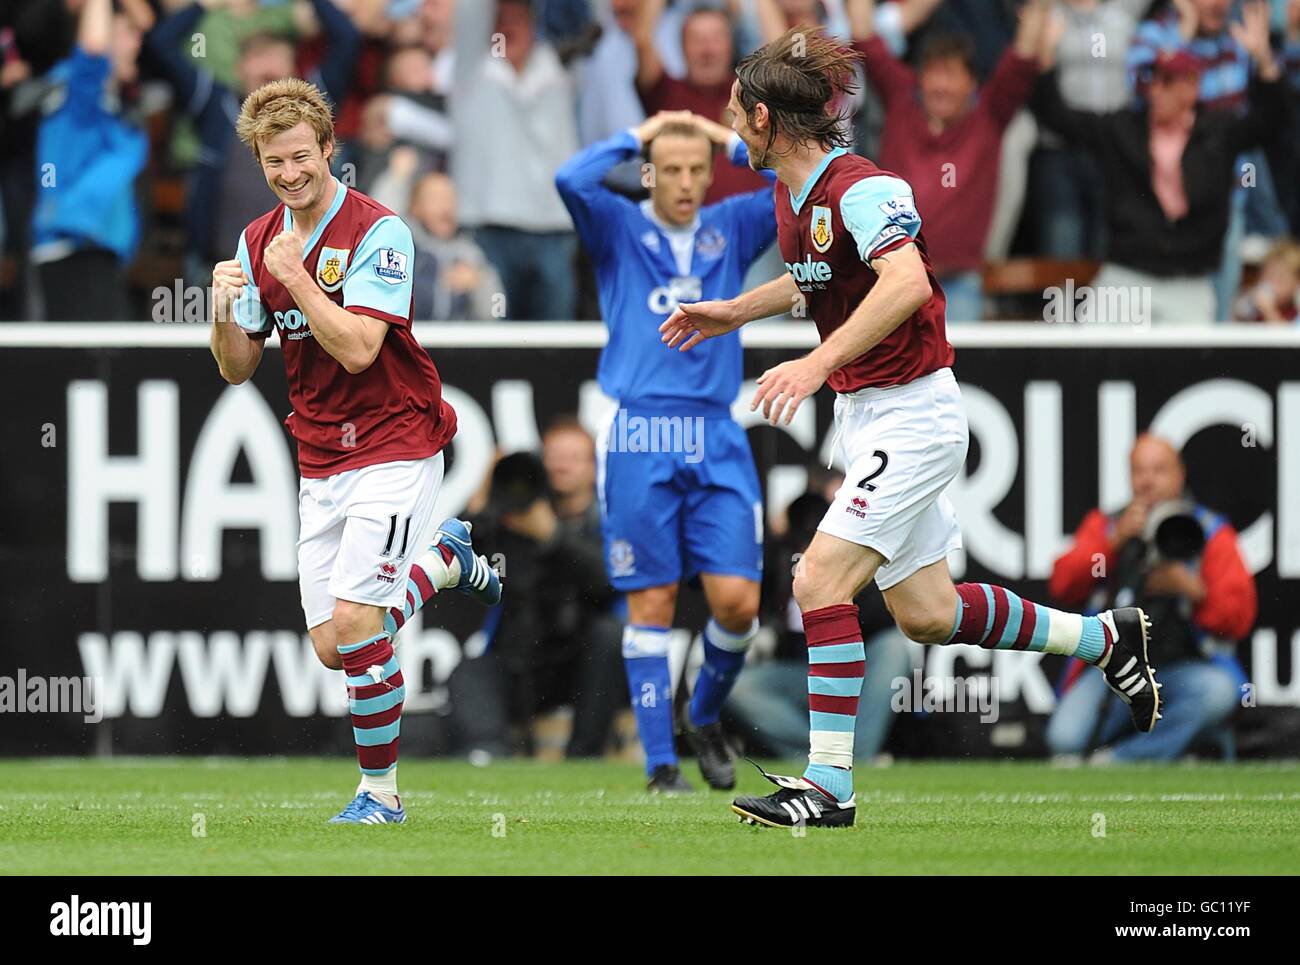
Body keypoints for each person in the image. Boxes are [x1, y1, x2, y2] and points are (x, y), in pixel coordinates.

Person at [660, 28, 1162, 829]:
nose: (728, 131)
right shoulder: (796, 197)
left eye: (733, 116)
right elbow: (817, 274)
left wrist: (818, 362)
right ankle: (1105, 638)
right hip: (869, 415)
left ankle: (828, 786)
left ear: (763, 117)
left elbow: (906, 280)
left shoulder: (861, 186)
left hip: (914, 410)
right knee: (926, 612)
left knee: (817, 581)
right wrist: (734, 310)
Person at [207, 77, 501, 825]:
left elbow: (362, 347)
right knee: (333, 647)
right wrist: (220, 314)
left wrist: (298, 277)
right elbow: (239, 367)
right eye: (274, 163)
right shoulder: (254, 240)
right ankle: (444, 561)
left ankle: (381, 795)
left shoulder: (380, 231)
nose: (290, 173)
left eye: (302, 157)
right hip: (321, 457)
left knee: (360, 626)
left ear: (331, 151)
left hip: (397, 440)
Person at [555, 109, 776, 792]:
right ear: (648, 174)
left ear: (711, 174)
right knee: (649, 602)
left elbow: (798, 185)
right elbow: (570, 177)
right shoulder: (618, 226)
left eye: (696, 170)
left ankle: (702, 712)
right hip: (641, 433)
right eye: (670, 170)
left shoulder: (733, 225)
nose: (684, 183)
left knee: (737, 602)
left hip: (714, 429)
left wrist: (728, 139)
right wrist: (643, 130)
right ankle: (660, 766)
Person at [1034, 15, 1285, 325]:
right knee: (1088, 353)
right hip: (1127, 277)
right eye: (1152, 79)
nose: (1156, 91)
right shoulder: (1123, 128)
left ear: (1192, 86)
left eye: (1168, 81)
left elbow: (1272, 121)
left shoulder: (1219, 130)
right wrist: (1045, 57)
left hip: (1189, 281)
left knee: (1194, 365)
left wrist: (1263, 61)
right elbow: (1057, 117)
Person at [1046, 434, 1257, 762]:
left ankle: (1122, 759)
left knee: (1218, 692)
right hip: (1117, 670)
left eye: (1159, 471)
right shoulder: (1110, 525)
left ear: (1179, 475)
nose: (1147, 481)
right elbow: (1062, 584)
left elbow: (1239, 619)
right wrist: (1113, 544)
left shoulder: (1209, 530)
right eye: (1139, 471)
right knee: (1064, 738)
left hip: (1184, 669)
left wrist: (1193, 591)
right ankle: (1182, 748)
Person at [848, 0, 1052, 322]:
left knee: (958, 372)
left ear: (972, 83)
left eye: (952, 75)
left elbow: (1023, 58)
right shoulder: (902, 99)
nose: (941, 87)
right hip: (892, 277)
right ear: (919, 79)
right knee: (890, 372)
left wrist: (1041, 8)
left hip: (959, 287)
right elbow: (864, 37)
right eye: (933, 74)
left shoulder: (990, 113)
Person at [144, 0, 361, 287]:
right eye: (259, 56)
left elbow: (349, 39)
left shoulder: (313, 103)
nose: (270, 65)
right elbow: (160, 45)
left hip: (305, 270)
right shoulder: (214, 103)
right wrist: (202, 6)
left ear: (292, 69)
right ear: (239, 67)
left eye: (279, 57)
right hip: (224, 269)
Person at [31, 0, 150, 321]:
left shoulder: (115, 109)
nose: (137, 42)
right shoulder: (78, 97)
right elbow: (93, 49)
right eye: (127, 33)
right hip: (72, 256)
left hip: (101, 256)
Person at [1233, 236, 1300, 323]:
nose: (1272, 283)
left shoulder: (1295, 311)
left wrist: (1268, 311)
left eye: (1280, 278)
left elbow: (1285, 335)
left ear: (1296, 281)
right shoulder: (1253, 307)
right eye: (1268, 276)